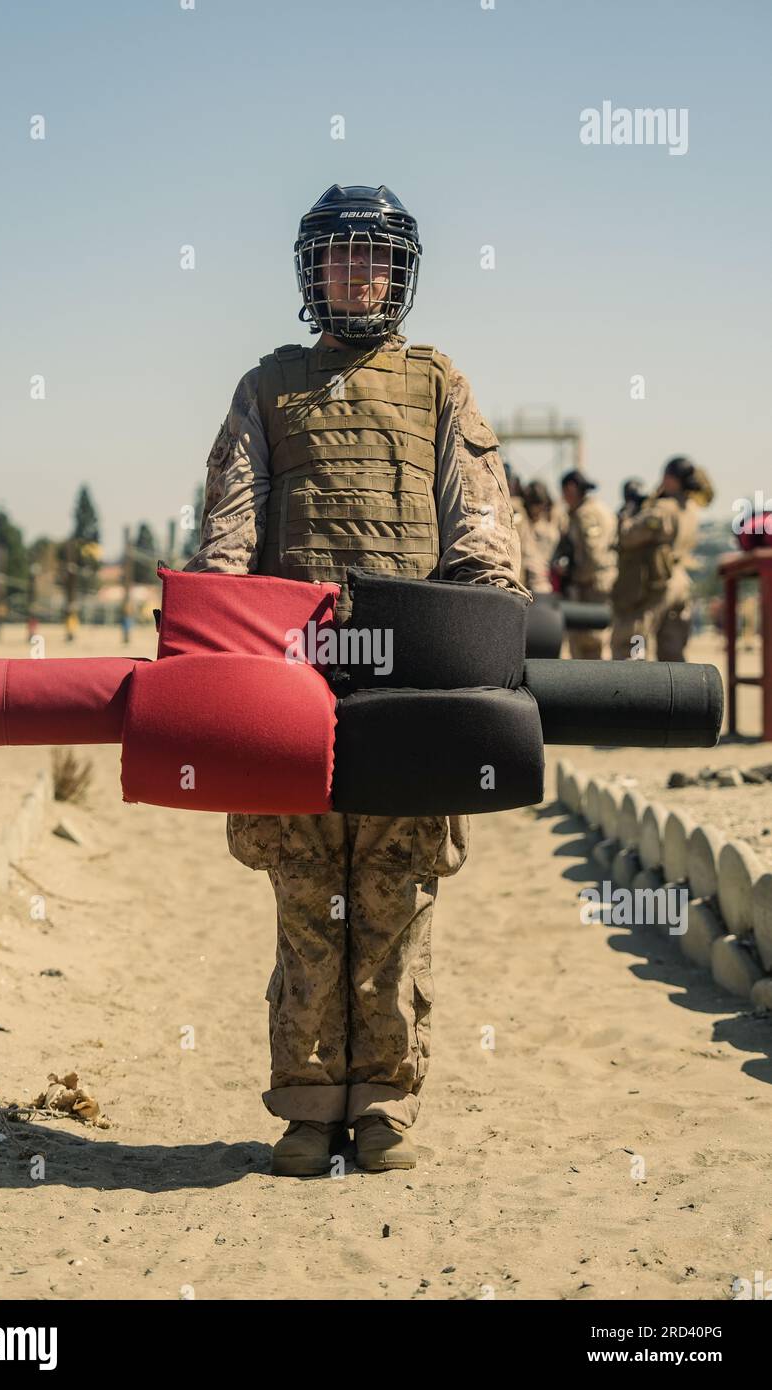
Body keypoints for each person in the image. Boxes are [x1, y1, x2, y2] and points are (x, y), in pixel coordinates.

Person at [183, 183, 529, 1176]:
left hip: (405, 678)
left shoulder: (437, 385)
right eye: (336, 257)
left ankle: (379, 1102)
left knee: (393, 893)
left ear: (399, 272)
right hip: (291, 680)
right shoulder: (266, 386)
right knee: (304, 892)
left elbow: (477, 527)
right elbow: (230, 525)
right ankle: (304, 1102)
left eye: (371, 256)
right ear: (310, 274)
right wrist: (218, 636)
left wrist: (475, 646)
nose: (354, 273)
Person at [611, 456, 714, 661]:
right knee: (672, 650)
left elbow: (629, 536)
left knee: (634, 639)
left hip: (656, 582)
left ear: (672, 479)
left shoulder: (664, 509)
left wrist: (628, 514)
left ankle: (633, 685)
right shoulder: (691, 508)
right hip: (680, 583)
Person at [558, 469, 617, 658]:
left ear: (571, 488)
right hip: (600, 582)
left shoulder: (587, 514)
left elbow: (594, 555)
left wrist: (573, 575)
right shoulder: (600, 508)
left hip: (593, 585)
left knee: (590, 641)